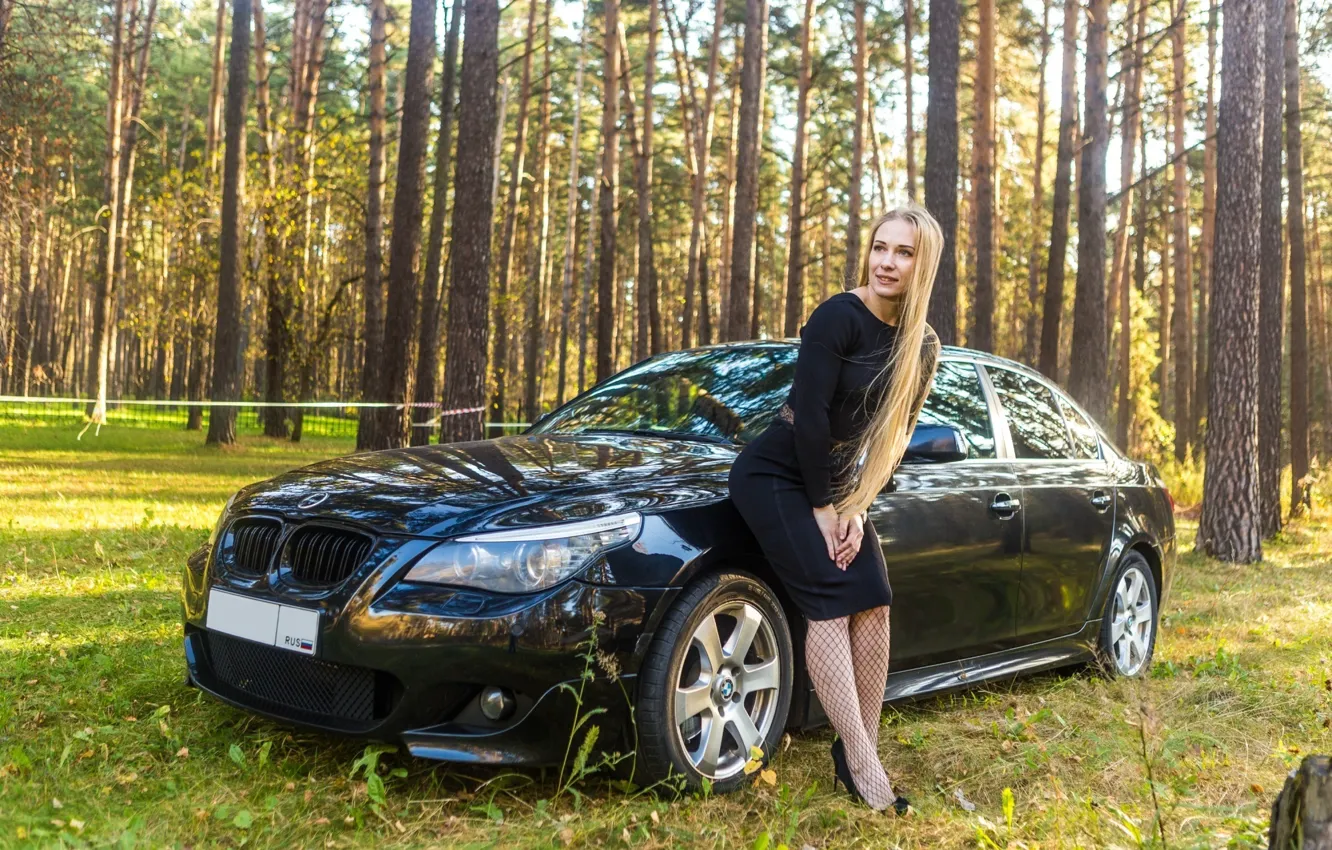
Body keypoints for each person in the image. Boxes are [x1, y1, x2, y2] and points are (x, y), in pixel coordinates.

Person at [728, 204, 943, 813]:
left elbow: (892, 437)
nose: (886, 262)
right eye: (880, 247)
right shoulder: (837, 317)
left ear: (921, 264)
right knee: (828, 596)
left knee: (872, 598)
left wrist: (856, 507)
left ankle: (856, 754)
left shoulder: (920, 345)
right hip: (777, 473)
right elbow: (812, 418)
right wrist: (824, 507)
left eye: (903, 252)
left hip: (843, 486)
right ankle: (866, 767)